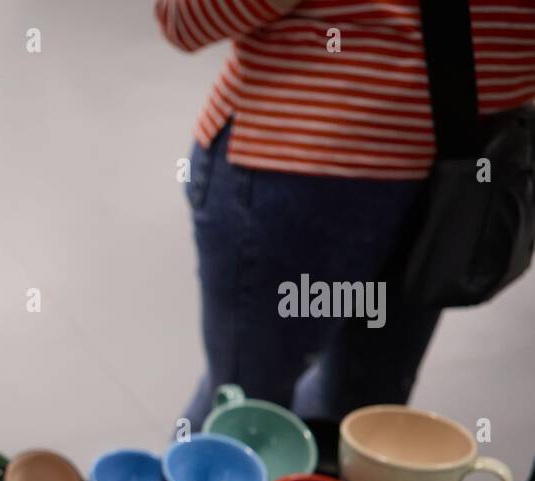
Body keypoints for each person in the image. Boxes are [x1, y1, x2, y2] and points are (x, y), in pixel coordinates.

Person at [155, 0, 535, 427]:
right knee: (264, 412)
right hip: (319, 169)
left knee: (324, 417)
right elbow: (185, 20)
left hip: (457, 173)